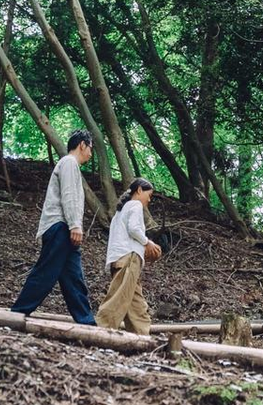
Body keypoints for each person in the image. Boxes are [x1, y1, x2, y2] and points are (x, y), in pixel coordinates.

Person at [11, 129, 97, 324]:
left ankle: (87, 322)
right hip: (61, 226)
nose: (91, 154)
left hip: (65, 228)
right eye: (90, 148)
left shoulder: (70, 164)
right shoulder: (68, 162)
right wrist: (75, 225)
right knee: (45, 272)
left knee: (73, 278)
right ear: (82, 144)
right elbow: (69, 195)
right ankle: (16, 313)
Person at [95, 177, 162, 334]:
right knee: (117, 300)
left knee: (136, 304)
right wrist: (148, 243)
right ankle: (100, 332)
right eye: (149, 194)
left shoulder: (120, 212)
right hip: (128, 259)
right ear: (139, 190)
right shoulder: (135, 205)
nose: (149, 199)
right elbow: (134, 229)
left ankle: (142, 338)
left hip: (120, 259)